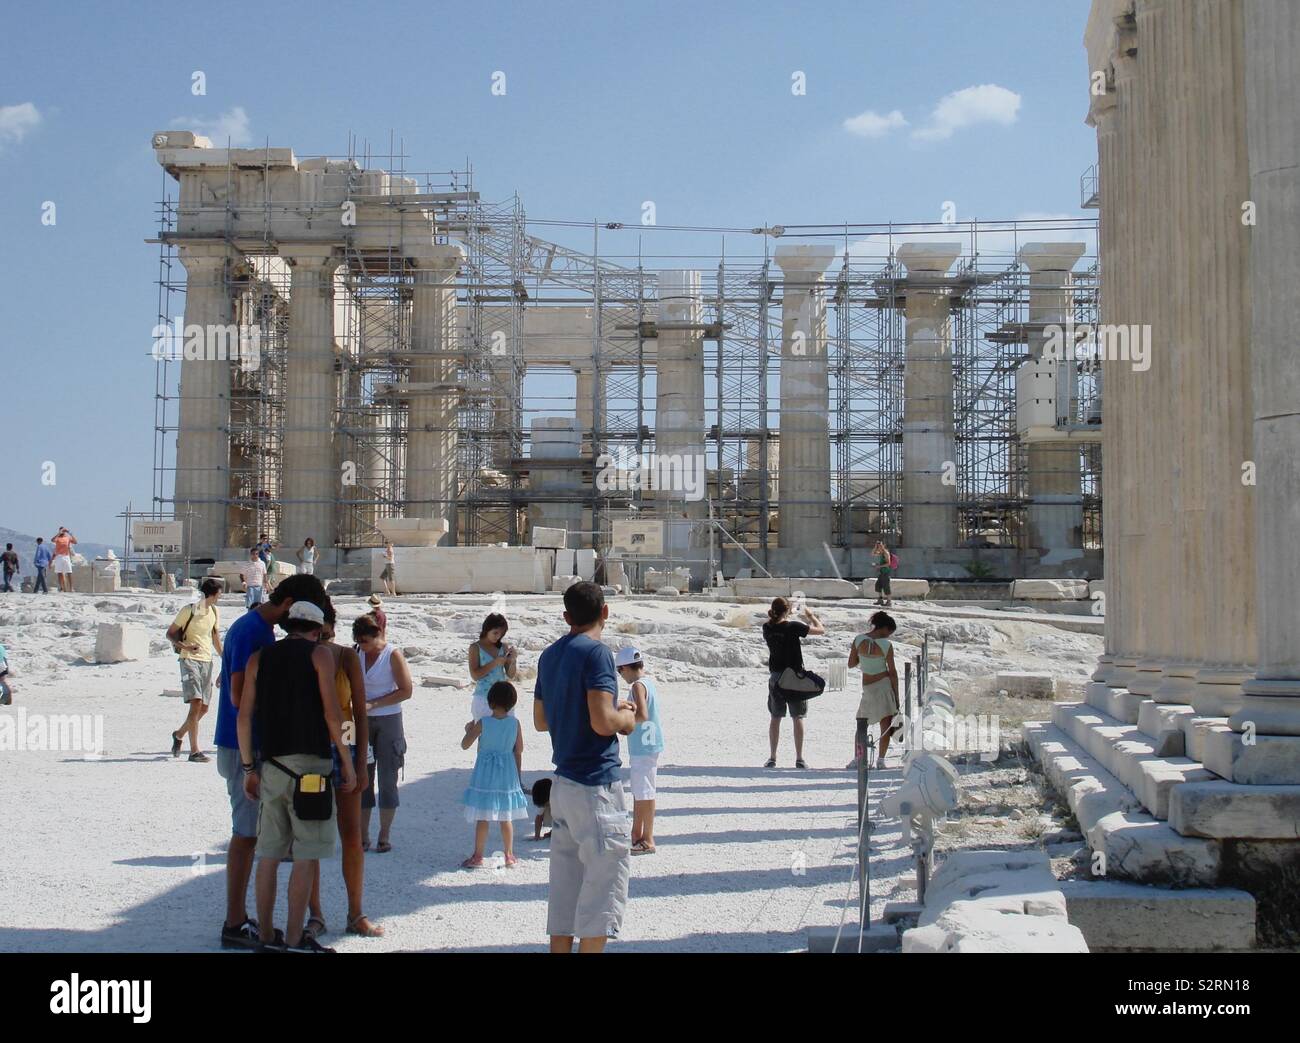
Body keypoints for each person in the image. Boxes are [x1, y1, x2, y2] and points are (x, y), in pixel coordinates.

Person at [213, 573, 329, 950]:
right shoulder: (254, 633)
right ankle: (235, 922)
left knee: (260, 840)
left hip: (256, 747)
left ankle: (251, 923)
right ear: (290, 602)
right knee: (248, 837)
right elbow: (236, 695)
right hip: (243, 744)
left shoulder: (258, 630)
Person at [239, 600, 355, 954]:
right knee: (306, 854)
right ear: (318, 629)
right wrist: (347, 762)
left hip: (272, 765)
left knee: (269, 854)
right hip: (312, 767)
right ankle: (292, 937)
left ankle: (264, 937)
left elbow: (244, 716)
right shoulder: (320, 656)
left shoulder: (260, 658)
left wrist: (248, 768)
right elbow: (332, 713)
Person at [534, 581, 636, 953]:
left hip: (563, 785)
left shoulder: (549, 655)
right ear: (605, 612)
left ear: (566, 616)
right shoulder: (597, 655)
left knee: (565, 893)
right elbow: (601, 721)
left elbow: (540, 720)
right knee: (601, 898)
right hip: (596, 786)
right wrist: (626, 718)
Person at [305, 607, 384, 940]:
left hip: (345, 745)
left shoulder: (344, 657)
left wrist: (362, 760)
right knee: (310, 835)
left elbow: (359, 710)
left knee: (351, 834)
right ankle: (316, 914)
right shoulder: (302, 654)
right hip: (311, 747)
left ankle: (355, 911)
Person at [353, 612, 413, 853]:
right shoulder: (355, 653)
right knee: (363, 778)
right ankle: (363, 834)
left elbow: (406, 690)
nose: (363, 647)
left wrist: (374, 704)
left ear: (376, 635)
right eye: (359, 642)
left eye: (366, 642)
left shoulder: (392, 655)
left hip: (388, 719)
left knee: (388, 778)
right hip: (362, 722)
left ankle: (384, 834)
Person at [461, 680, 529, 869]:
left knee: (482, 815)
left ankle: (478, 855)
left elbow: (465, 744)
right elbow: (519, 749)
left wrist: (469, 730)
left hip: (485, 770)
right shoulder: (515, 723)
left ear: (490, 702)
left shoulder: (483, 722)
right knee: (505, 815)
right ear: (512, 703)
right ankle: (509, 854)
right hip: (506, 770)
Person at [762, 596, 825, 770]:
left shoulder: (767, 627)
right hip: (794, 678)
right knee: (797, 717)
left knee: (775, 717)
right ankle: (799, 758)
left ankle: (772, 757)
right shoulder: (792, 626)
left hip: (776, 676)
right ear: (788, 610)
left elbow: (776, 622)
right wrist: (811, 616)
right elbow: (821, 630)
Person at [167, 578, 223, 763]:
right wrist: (185, 646)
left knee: (204, 708)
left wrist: (224, 657)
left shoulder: (214, 611)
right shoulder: (189, 610)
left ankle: (179, 734)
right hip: (189, 659)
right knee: (196, 702)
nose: (220, 596)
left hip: (207, 661)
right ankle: (194, 751)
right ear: (213, 594)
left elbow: (215, 636)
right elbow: (170, 633)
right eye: (219, 593)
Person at [617, 646, 664, 856]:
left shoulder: (637, 686)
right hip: (650, 743)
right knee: (642, 791)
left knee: (644, 792)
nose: (621, 675)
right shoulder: (648, 682)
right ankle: (637, 834)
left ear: (626, 667)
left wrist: (623, 722)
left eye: (620, 671)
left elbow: (643, 714)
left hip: (643, 745)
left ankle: (648, 839)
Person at [847, 611, 901, 769]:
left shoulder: (858, 640)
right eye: (889, 632)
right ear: (884, 628)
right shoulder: (886, 645)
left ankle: (858, 758)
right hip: (884, 684)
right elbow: (892, 672)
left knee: (861, 722)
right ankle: (881, 760)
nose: (889, 635)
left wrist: (863, 658)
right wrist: (896, 695)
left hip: (867, 686)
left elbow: (851, 663)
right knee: (885, 723)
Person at [468, 612, 518, 721]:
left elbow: (511, 675)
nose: (498, 637)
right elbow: (475, 675)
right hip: (483, 697)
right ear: (487, 629)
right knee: (486, 733)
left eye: (501, 634)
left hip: (504, 697)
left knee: (507, 732)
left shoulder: (503, 647)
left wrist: (512, 661)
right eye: (495, 633)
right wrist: (494, 663)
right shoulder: (475, 648)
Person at [51, 527, 77, 593]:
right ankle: (61, 587)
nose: (63, 532)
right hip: (59, 556)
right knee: (59, 572)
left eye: (63, 530)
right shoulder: (57, 538)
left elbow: (75, 542)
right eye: (61, 530)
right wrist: (59, 533)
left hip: (66, 556)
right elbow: (52, 540)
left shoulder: (67, 537)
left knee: (69, 572)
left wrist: (70, 533)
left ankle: (71, 588)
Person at [872, 541, 893, 607]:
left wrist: (879, 566)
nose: (879, 547)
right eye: (878, 546)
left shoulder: (886, 553)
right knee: (878, 586)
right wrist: (875, 546)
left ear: (883, 545)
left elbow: (888, 563)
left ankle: (889, 602)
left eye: (880, 545)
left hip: (886, 573)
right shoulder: (881, 553)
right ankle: (880, 600)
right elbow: (873, 554)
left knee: (886, 587)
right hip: (881, 572)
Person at [0, 641, 13, 705]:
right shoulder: (1, 646)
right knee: (3, 680)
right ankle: (7, 699)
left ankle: (6, 697)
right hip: (3, 663)